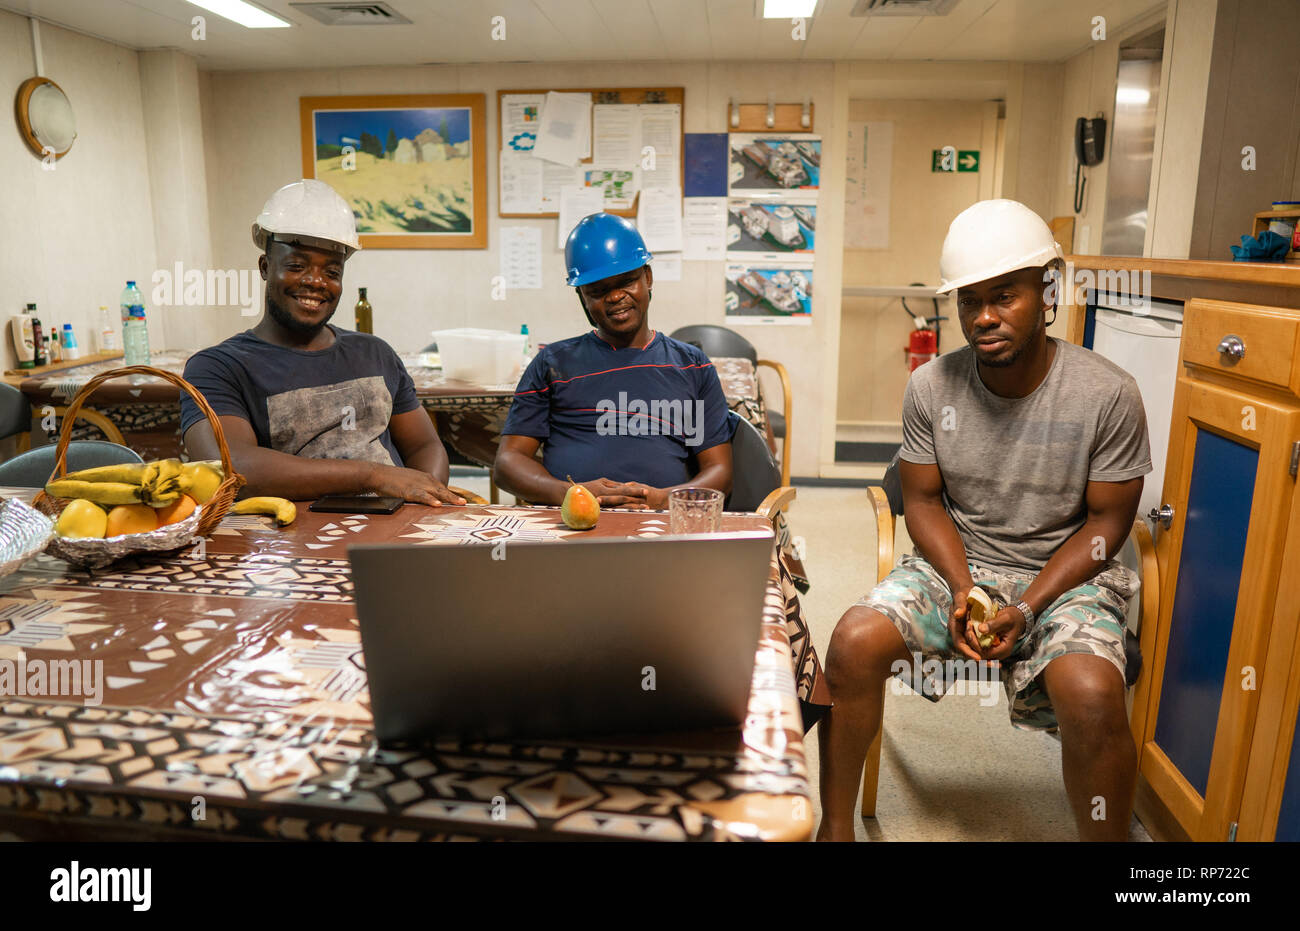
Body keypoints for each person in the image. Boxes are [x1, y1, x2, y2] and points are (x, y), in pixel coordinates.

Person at [816, 199, 1152, 842]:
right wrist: (963, 585)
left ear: (1046, 291)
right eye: (970, 301)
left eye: (1004, 296)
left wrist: (1025, 608)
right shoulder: (931, 387)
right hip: (956, 565)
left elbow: (1107, 525)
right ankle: (835, 832)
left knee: (1090, 692)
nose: (985, 317)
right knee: (854, 643)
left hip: (1065, 579)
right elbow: (921, 502)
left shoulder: (1108, 393)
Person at [180, 179, 463, 506]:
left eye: (331, 271)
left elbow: (424, 446)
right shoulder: (217, 368)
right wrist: (371, 476)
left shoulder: (374, 353)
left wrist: (425, 500)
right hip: (292, 547)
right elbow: (231, 469)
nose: (315, 282)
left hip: (394, 533)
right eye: (297, 266)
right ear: (265, 267)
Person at [494, 213, 733, 508]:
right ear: (582, 296)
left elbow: (719, 470)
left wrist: (661, 500)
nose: (616, 296)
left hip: (664, 526)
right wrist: (571, 494)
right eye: (598, 290)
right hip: (571, 528)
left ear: (648, 278)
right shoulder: (552, 365)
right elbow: (507, 463)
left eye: (627, 281)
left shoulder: (692, 367)